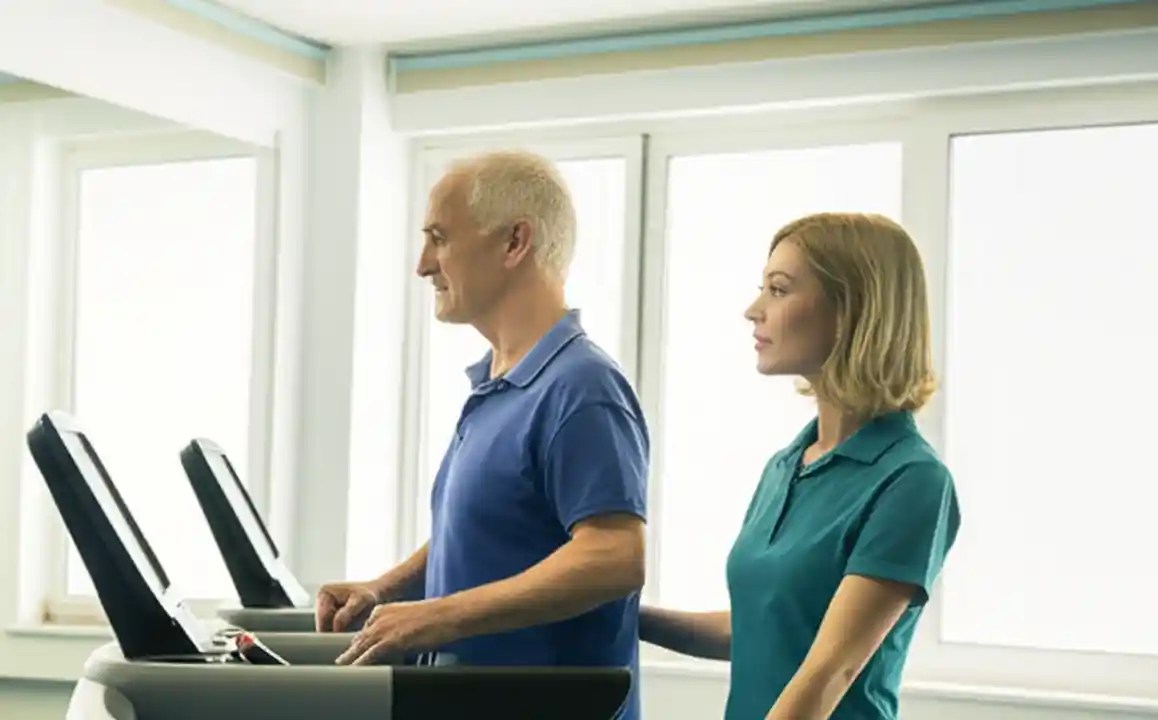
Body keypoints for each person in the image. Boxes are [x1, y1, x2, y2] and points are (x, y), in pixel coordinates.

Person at [315, 150, 648, 720]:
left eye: (440, 238)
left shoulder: (581, 386)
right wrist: (387, 590)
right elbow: (489, 528)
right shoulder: (499, 385)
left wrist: (440, 616)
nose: (423, 265)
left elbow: (614, 554)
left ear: (515, 242)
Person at [639, 212, 960, 720]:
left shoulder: (911, 481)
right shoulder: (786, 465)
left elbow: (830, 671)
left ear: (853, 310)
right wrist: (630, 617)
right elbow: (759, 629)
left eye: (779, 290)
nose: (754, 310)